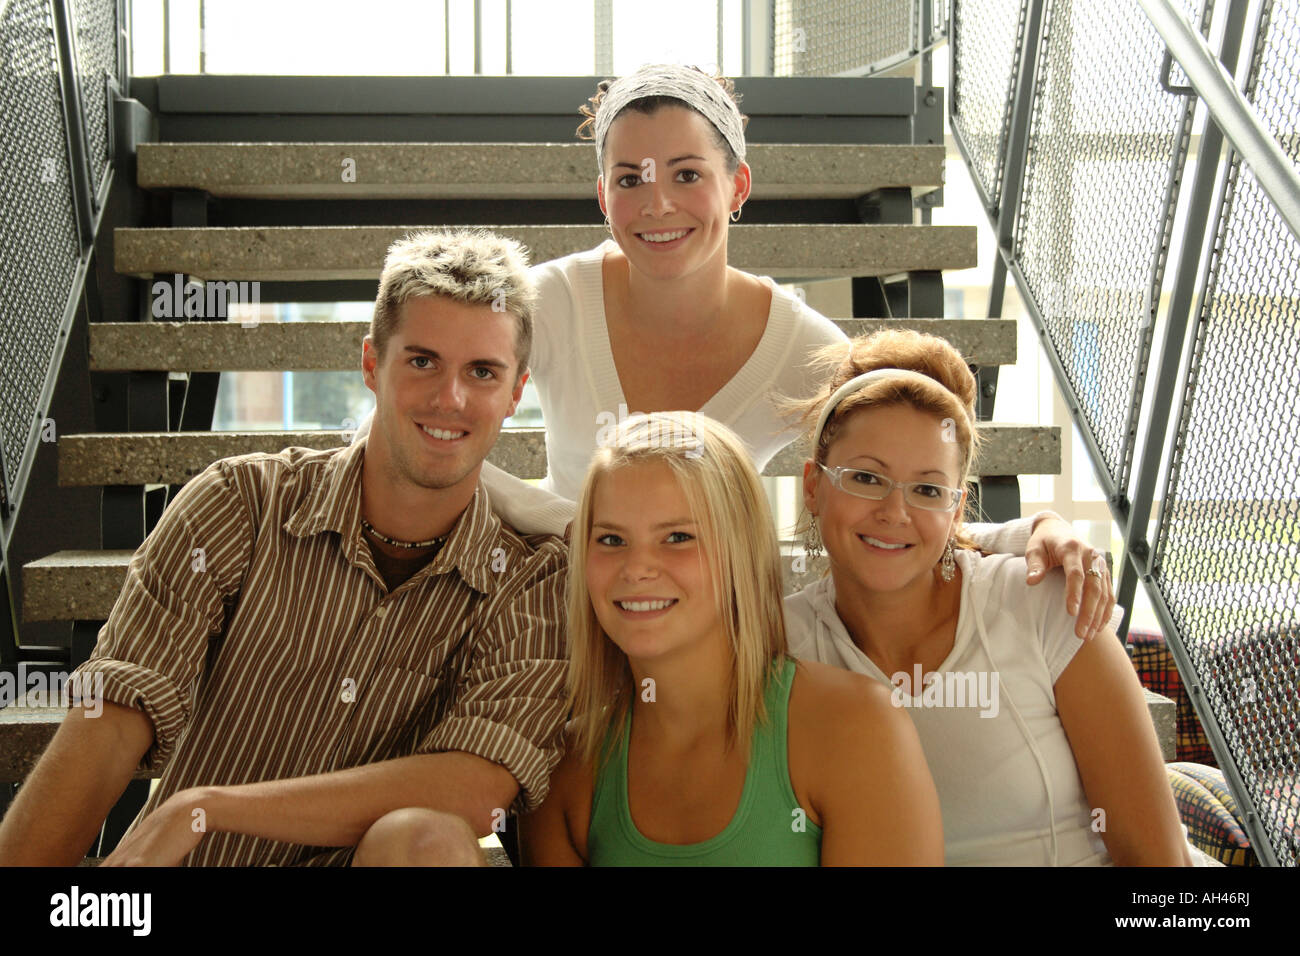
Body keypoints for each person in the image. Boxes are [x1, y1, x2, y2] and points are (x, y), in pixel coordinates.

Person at [466, 61, 1118, 642]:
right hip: (564, 616)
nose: (656, 202)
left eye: (687, 174)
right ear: (605, 197)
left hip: (711, 634)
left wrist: (1029, 533)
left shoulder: (799, 348)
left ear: (738, 186)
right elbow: (413, 429)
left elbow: (897, 488)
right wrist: (566, 526)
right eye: (629, 179)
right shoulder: (548, 301)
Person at [0, 230, 570, 867]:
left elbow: (475, 789)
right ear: (370, 365)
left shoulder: (532, 579)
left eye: (482, 372)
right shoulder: (240, 504)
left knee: (428, 842)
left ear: (515, 393)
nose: (450, 398)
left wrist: (210, 807)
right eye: (422, 361)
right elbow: (118, 708)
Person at [783, 329, 1194, 865]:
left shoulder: (1045, 607)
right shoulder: (778, 647)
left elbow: (1161, 864)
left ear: (956, 510)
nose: (895, 512)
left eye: (928, 489)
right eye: (866, 477)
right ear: (813, 486)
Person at [520, 411, 942, 865]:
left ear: (740, 552)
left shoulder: (855, 727)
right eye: (610, 540)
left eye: (678, 537)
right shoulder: (564, 767)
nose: (637, 567)